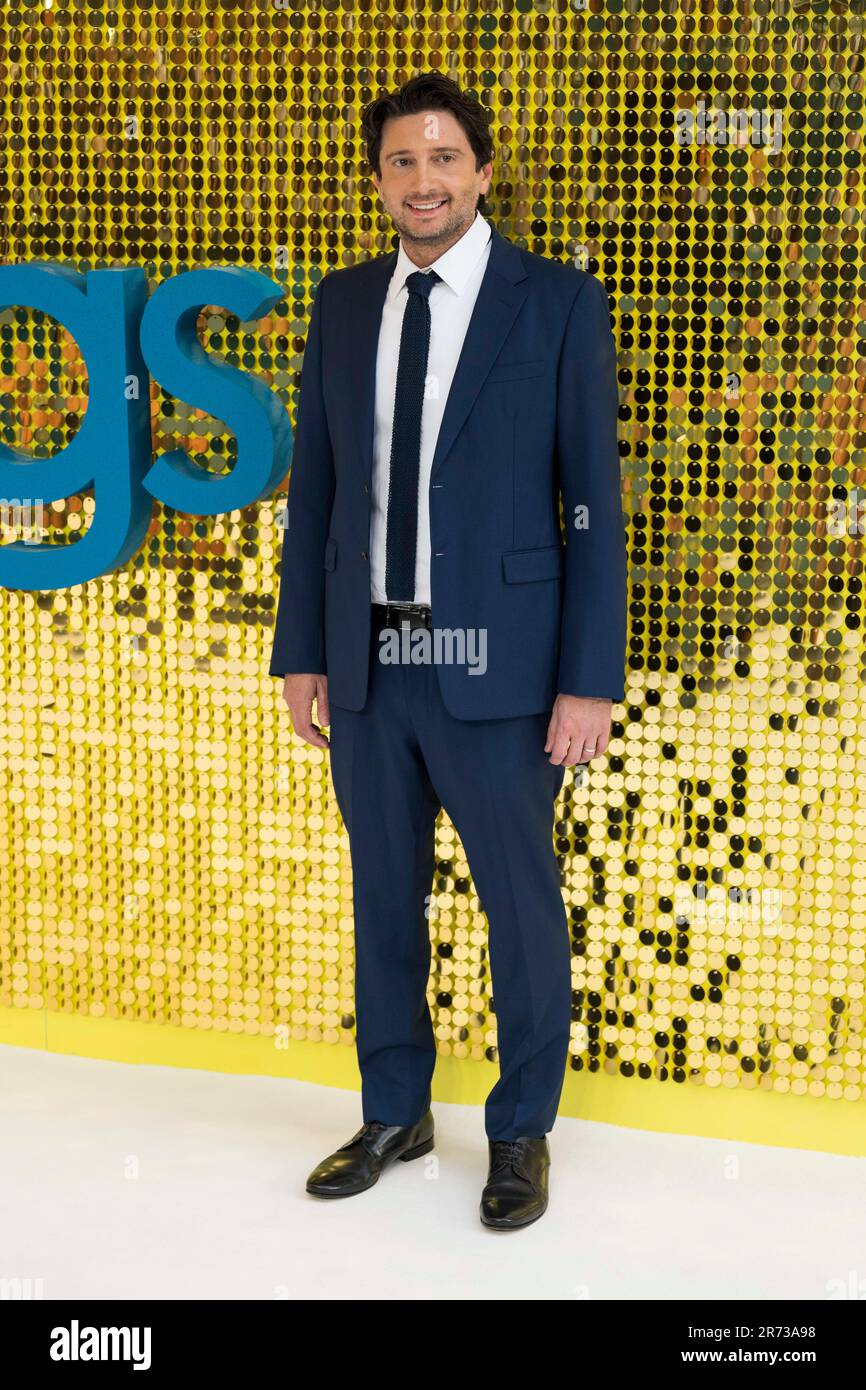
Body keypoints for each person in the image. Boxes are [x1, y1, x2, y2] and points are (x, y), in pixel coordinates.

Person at [270, 72, 627, 1230]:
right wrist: (301, 653)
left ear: (480, 168)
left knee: (518, 908)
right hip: (370, 664)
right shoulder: (339, 305)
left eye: (440, 158)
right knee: (383, 896)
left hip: (501, 665)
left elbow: (590, 502)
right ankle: (393, 1110)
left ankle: (519, 1132)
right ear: (378, 181)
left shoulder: (556, 304)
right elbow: (316, 496)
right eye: (397, 162)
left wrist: (587, 678)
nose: (419, 181)